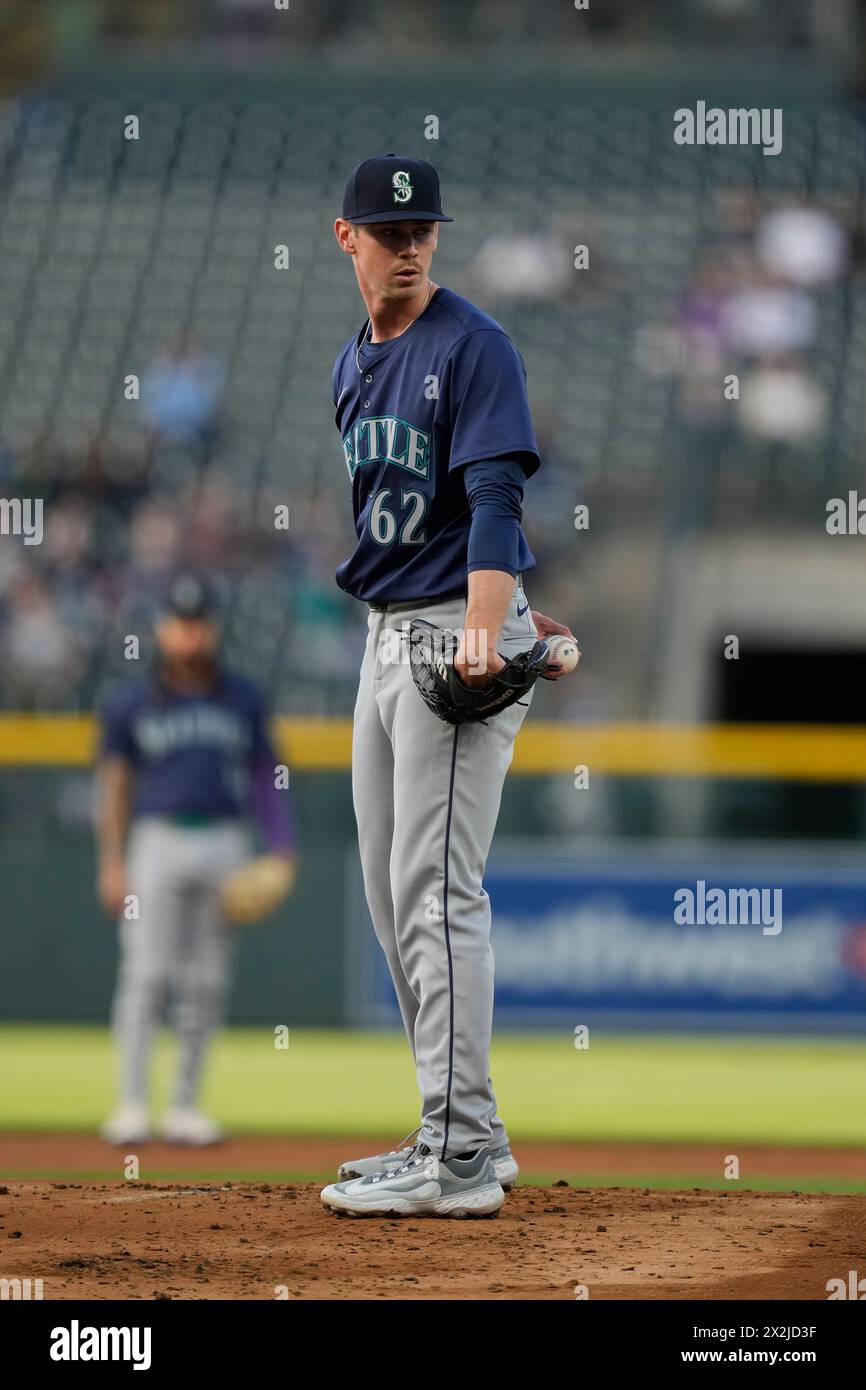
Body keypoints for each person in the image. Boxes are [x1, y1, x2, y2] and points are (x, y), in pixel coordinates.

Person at [320, 154, 576, 1218]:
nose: (410, 241)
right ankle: (458, 1124)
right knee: (391, 897)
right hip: (383, 634)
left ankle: (460, 1158)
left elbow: (492, 496)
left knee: (436, 892)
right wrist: (507, 613)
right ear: (346, 238)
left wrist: (488, 624)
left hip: (446, 641)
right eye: (389, 228)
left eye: (422, 225)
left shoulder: (473, 345)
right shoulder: (351, 363)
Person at [97, 572, 296, 1146]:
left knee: (205, 981)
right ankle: (132, 1105)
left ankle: (184, 1106)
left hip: (225, 840)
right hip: (154, 840)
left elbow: (269, 777)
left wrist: (282, 848)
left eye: (197, 621)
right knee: (145, 974)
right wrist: (112, 861)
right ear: (163, 628)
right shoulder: (131, 701)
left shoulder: (243, 698)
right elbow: (114, 785)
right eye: (179, 622)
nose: (188, 633)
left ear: (210, 627)